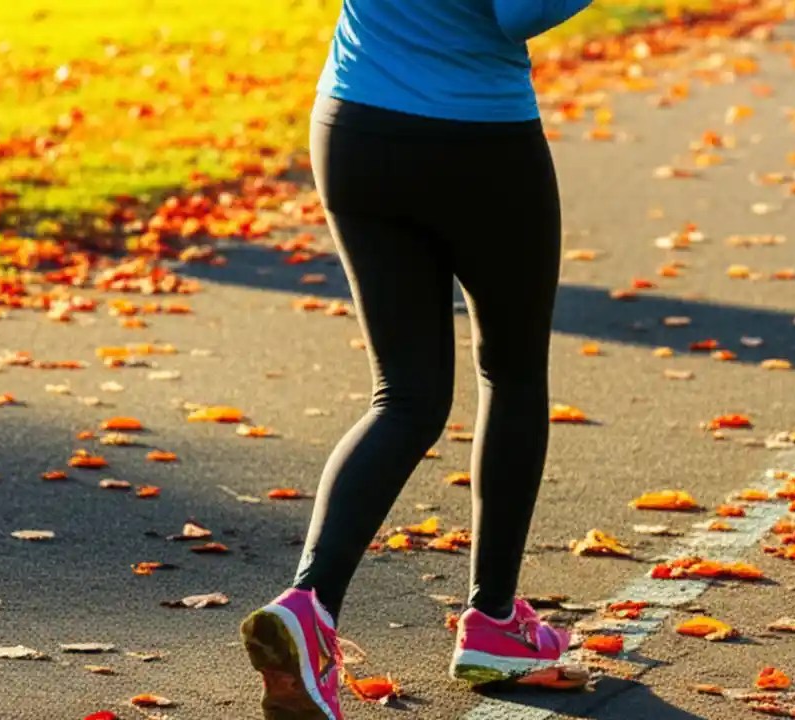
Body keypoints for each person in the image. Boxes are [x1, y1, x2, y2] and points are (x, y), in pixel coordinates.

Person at [238, 0, 592, 717]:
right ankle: (494, 621)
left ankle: (309, 608)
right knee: (512, 371)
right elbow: (519, 11)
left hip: (354, 122)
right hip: (478, 140)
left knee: (404, 396)